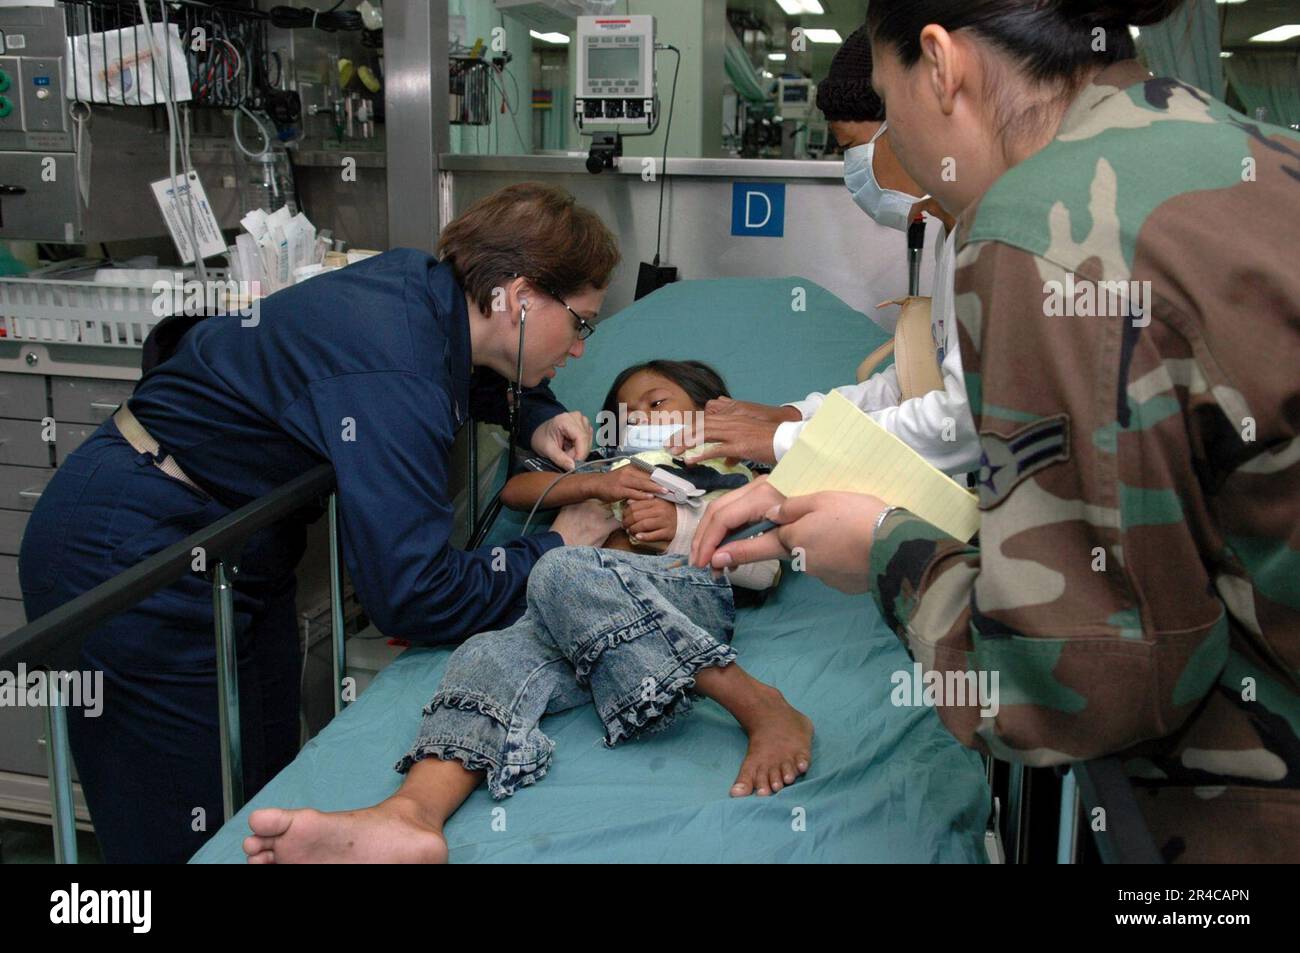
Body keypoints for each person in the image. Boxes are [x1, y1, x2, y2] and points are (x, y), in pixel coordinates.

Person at [692, 0, 1300, 863]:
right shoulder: (1246, 150)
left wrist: (884, 551)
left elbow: (1076, 686)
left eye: (890, 105)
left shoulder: (1040, 228)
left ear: (939, 65)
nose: (893, 153)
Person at [19, 183, 621, 863]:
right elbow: (414, 591)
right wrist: (552, 547)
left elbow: (467, 368)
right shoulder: (396, 359)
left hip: (236, 546)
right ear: (518, 295)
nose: (578, 348)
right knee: (180, 832)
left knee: (265, 807)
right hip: (128, 543)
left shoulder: (426, 293)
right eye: (581, 322)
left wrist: (534, 414)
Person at [240, 361, 810, 863]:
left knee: (559, 569)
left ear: (712, 413)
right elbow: (518, 492)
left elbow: (765, 567)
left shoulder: (734, 473)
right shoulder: (616, 469)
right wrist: (597, 482)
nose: (639, 416)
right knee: (487, 650)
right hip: (576, 624)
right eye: (625, 411)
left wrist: (682, 531)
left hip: (676, 603)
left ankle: (760, 704)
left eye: (657, 403)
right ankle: (409, 816)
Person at [672, 24, 980, 477]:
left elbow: (963, 420)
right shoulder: (950, 234)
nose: (849, 169)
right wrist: (792, 416)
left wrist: (783, 442)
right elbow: (916, 387)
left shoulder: (996, 241)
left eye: (850, 148)